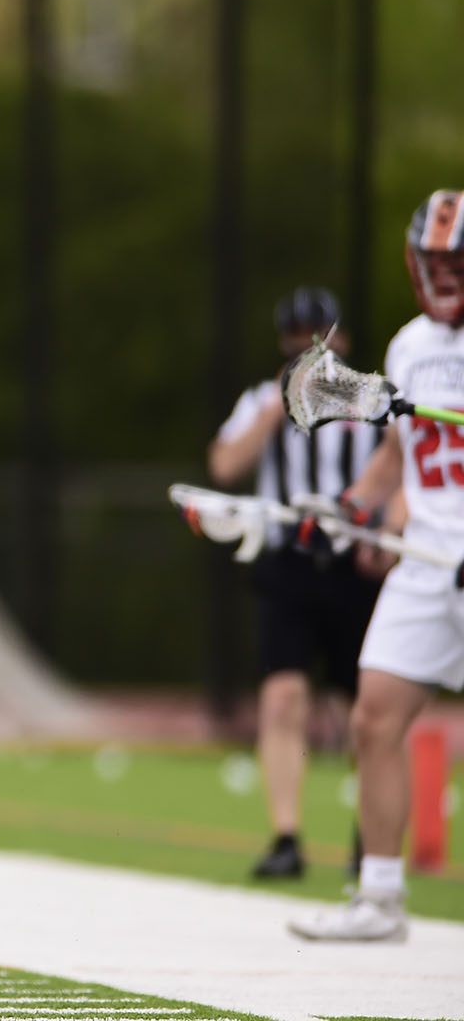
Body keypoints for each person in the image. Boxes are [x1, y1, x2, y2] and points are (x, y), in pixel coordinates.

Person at [288, 190, 464, 942]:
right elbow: (398, 455)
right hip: (427, 560)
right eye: (433, 261)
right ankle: (380, 900)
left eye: (456, 261)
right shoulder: (408, 348)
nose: (444, 273)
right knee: (374, 715)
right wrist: (350, 507)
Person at [205, 288, 381, 880]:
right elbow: (225, 465)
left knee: (363, 707)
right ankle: (286, 837)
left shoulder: (370, 401)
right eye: (298, 338)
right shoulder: (262, 399)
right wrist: (281, 402)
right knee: (282, 697)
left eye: (321, 335)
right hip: (288, 563)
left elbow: (401, 468)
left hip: (355, 563)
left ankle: (371, 836)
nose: (310, 348)